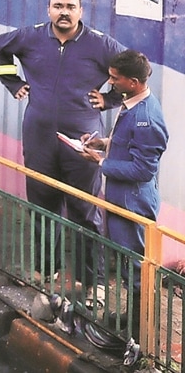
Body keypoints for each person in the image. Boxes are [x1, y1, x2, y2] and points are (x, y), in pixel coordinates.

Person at [0, 0, 126, 284]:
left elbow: (134, 70)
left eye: (70, 7)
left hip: (83, 141)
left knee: (85, 210)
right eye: (58, 6)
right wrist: (13, 83)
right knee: (42, 206)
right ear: (49, 9)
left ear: (81, 11)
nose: (64, 12)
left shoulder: (101, 44)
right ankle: (44, 271)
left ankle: (89, 281)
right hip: (39, 138)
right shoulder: (31, 37)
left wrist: (110, 99)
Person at [79, 49, 168, 318]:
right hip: (122, 198)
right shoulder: (131, 102)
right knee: (127, 260)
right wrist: (104, 144)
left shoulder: (147, 118)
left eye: (115, 79)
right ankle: (133, 321)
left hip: (133, 202)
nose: (110, 84)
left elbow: (142, 169)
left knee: (136, 266)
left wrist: (101, 162)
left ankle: (140, 328)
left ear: (133, 82)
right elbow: (130, 145)